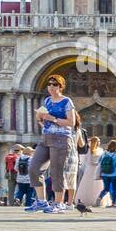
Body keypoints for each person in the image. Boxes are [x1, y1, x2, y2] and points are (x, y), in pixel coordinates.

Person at [25, 73, 77, 214]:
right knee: (34, 168)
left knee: (56, 172)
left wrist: (53, 119)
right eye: (49, 84)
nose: (51, 87)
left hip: (61, 139)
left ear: (61, 87)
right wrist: (40, 118)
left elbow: (71, 122)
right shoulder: (47, 101)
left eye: (55, 84)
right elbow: (44, 122)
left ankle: (59, 204)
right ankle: (41, 201)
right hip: (46, 138)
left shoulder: (66, 101)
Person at [98, 139, 116, 206]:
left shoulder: (104, 153)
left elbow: (99, 161)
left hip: (105, 174)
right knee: (115, 189)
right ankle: (113, 203)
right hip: (115, 174)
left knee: (106, 188)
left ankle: (100, 197)